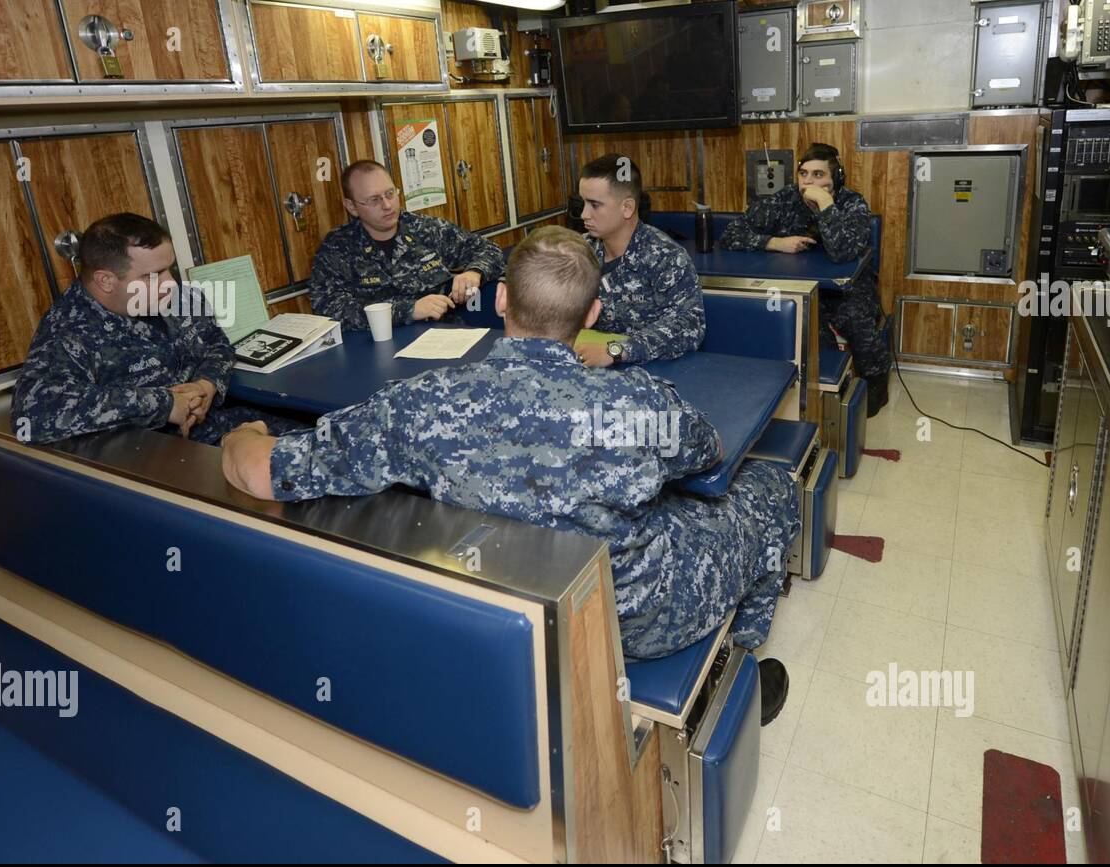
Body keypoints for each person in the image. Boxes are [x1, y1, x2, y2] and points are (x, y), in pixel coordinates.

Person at [222, 226, 797, 725]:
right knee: (769, 489)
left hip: (492, 619)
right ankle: (737, 672)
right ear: (593, 314)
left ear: (501, 300)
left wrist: (241, 433)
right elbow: (710, 451)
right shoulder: (638, 406)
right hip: (631, 621)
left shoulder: (420, 406)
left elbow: (260, 474)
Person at [12, 213, 299, 447]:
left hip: (216, 425)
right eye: (153, 276)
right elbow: (33, 414)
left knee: (320, 443)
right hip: (150, 457)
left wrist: (207, 385)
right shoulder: (70, 330)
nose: (171, 283)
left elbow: (217, 345)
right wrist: (163, 404)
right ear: (106, 281)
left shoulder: (180, 298)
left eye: (170, 269)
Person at [720, 143, 891, 415]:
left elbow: (842, 252)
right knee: (811, 334)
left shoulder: (852, 203)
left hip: (846, 290)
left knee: (860, 327)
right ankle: (826, 400)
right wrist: (775, 242)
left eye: (818, 175)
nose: (808, 182)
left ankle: (872, 399)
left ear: (835, 178)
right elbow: (731, 233)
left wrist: (825, 205)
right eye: (804, 174)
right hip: (800, 287)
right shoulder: (786, 199)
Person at [309, 160, 505, 331]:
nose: (387, 205)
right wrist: (408, 310)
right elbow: (327, 306)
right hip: (380, 344)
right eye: (374, 199)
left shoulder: (425, 229)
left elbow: (490, 250)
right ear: (351, 206)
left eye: (390, 193)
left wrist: (474, 272)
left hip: (445, 332)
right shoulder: (338, 248)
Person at [575, 154, 704, 367]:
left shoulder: (665, 256)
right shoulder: (579, 251)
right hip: (589, 370)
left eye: (594, 205)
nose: (583, 214)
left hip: (653, 373)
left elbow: (690, 327)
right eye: (583, 203)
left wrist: (616, 351)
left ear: (627, 207)